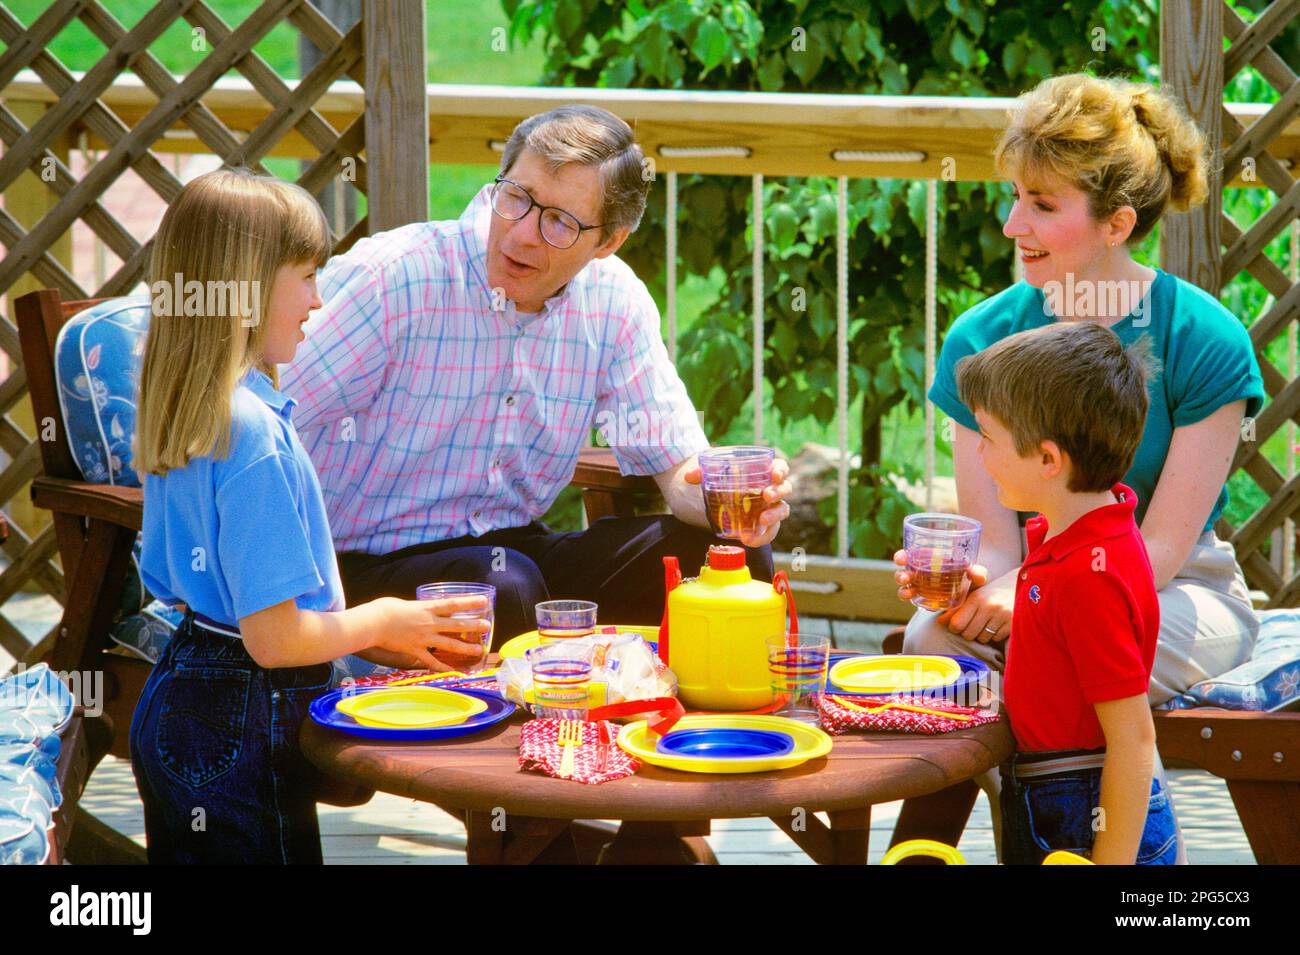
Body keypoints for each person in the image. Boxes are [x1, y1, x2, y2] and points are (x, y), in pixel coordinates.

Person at [897, 73, 1264, 860]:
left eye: (1041, 203)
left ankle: (1109, 839)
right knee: (928, 632)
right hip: (1035, 580)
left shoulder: (1205, 339)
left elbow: (1159, 549)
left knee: (1044, 661)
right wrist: (971, 583)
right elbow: (996, 541)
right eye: (1015, 196)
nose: (1010, 223)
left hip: (1170, 586)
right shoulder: (980, 340)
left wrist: (1026, 605)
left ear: (1117, 223)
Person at [281, 105, 792, 643]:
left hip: (510, 551)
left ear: (608, 242)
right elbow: (250, 421)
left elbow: (676, 469)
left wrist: (729, 503)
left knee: (729, 555)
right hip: (355, 571)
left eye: (561, 222)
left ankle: (710, 722)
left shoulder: (613, 300)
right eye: (516, 198)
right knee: (504, 589)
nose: (523, 234)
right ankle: (549, 725)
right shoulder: (394, 280)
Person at [129, 169, 489, 865]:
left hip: (182, 695)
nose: (318, 300)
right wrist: (385, 619)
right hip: (238, 716)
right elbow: (272, 637)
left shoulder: (193, 409)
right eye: (307, 275)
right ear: (248, 288)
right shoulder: (254, 435)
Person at [954, 320, 1176, 864]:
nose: (979, 453)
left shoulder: (1088, 573)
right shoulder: (1071, 534)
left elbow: (1132, 739)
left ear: (1049, 461)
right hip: (1053, 787)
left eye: (989, 436)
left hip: (1082, 804)